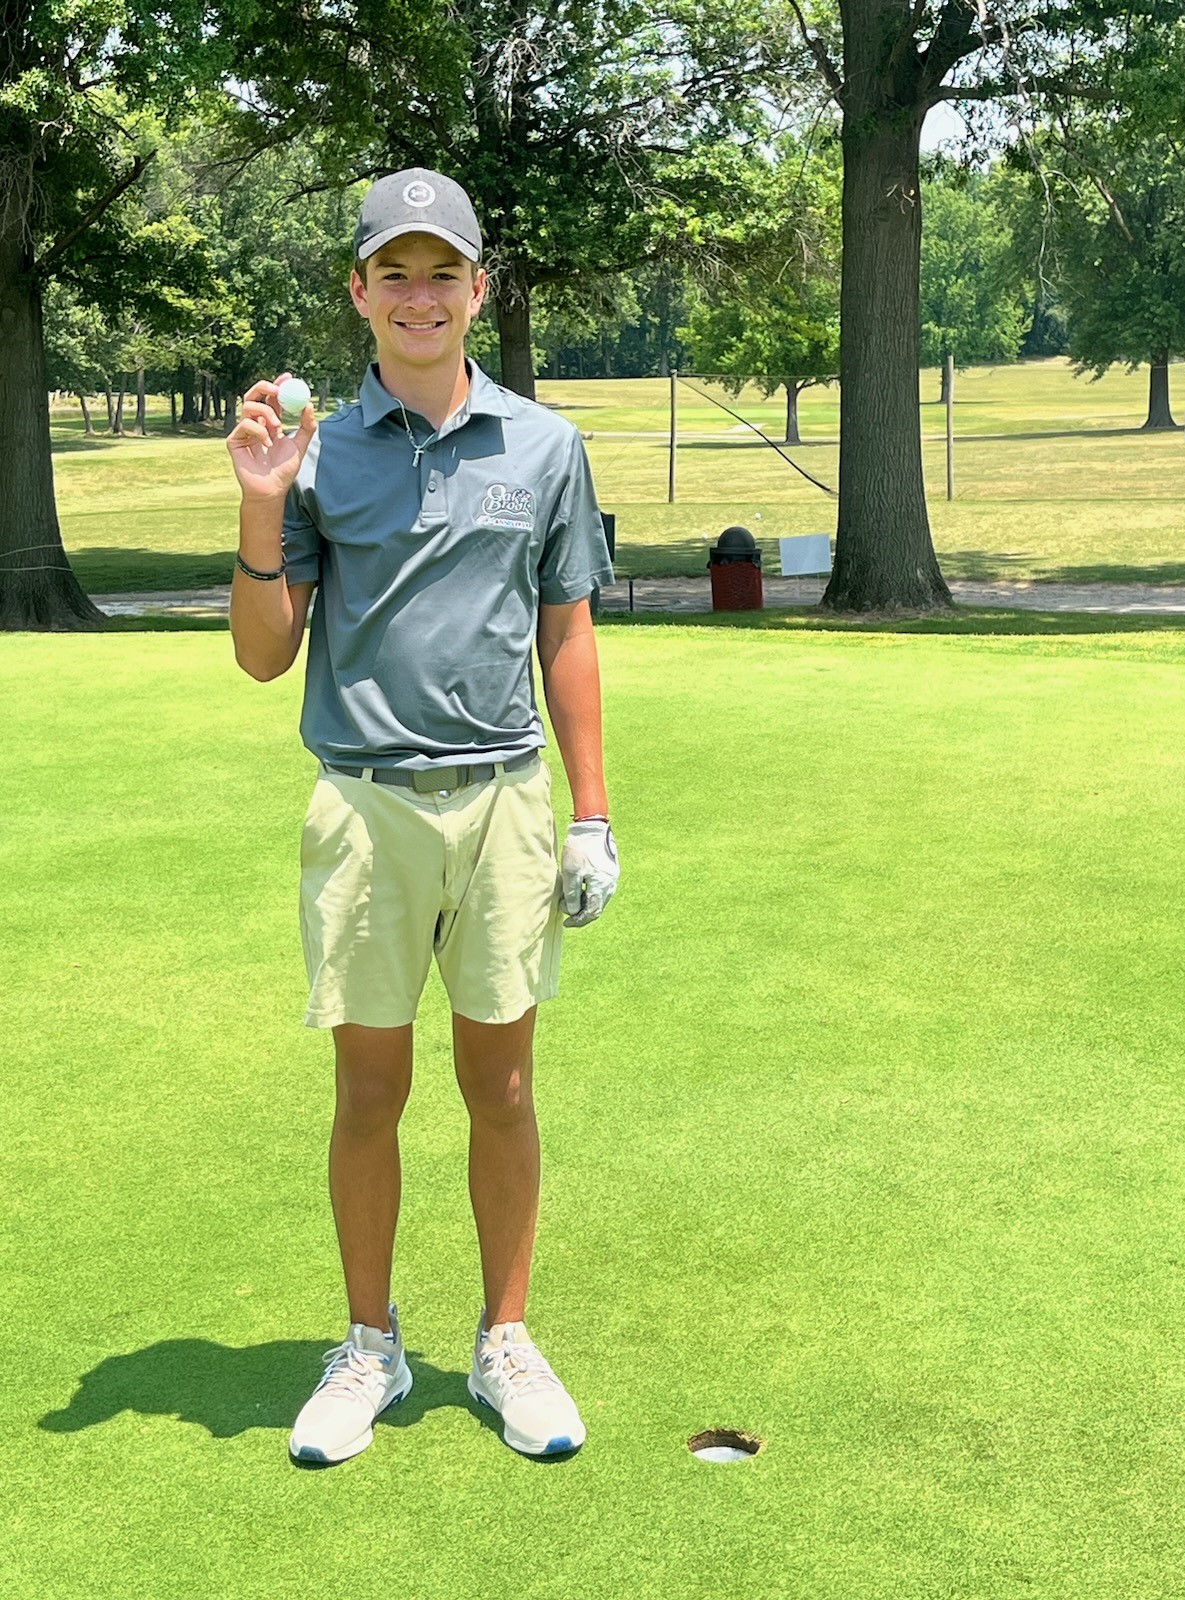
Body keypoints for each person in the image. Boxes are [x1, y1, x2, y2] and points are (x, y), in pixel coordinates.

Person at [225, 167, 618, 1465]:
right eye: (392, 272)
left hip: (504, 801)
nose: (419, 295)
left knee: (501, 1085)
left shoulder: (545, 447)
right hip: (366, 806)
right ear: (359, 292)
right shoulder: (319, 451)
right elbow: (265, 656)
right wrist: (264, 504)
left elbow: (568, 629)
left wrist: (591, 817)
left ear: (478, 290)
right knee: (368, 1092)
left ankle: (505, 1339)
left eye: (441, 271)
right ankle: (369, 1346)